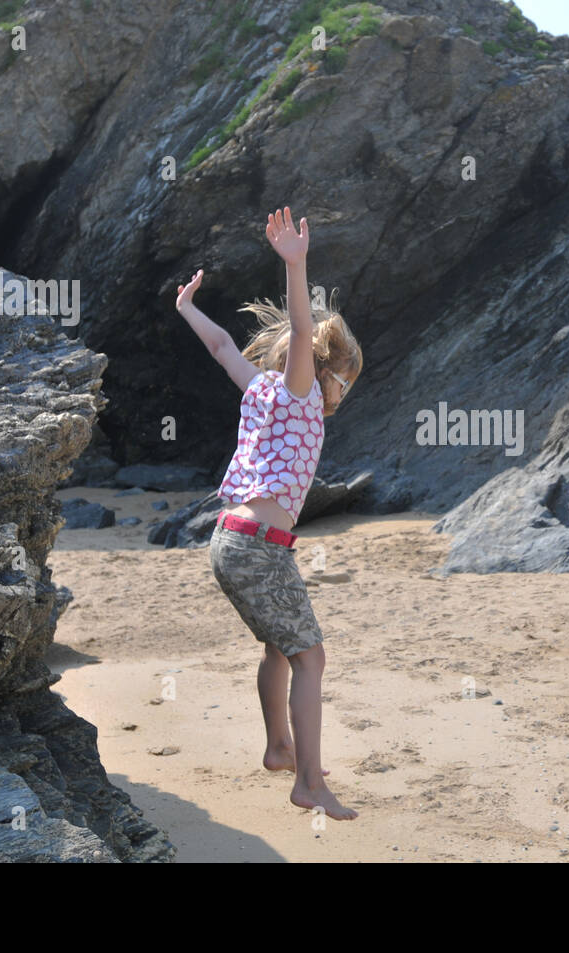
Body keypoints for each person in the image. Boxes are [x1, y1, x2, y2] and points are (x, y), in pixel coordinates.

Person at [174, 206, 363, 820]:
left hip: (231, 540)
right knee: (311, 656)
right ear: (327, 374)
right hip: (255, 544)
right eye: (346, 384)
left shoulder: (258, 389)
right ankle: (308, 782)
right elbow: (305, 333)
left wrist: (187, 309)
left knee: (278, 649)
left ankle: (280, 747)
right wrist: (297, 264)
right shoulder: (300, 394)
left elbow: (223, 345)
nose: (342, 396)